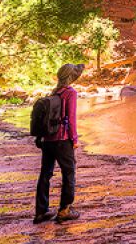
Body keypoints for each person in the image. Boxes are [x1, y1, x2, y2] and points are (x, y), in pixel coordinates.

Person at [34, 63, 84, 224]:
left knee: (45, 174)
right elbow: (71, 118)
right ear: (71, 77)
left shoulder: (54, 92)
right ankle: (64, 210)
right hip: (63, 140)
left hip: (48, 139)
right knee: (69, 173)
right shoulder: (70, 93)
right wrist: (74, 139)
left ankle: (41, 212)